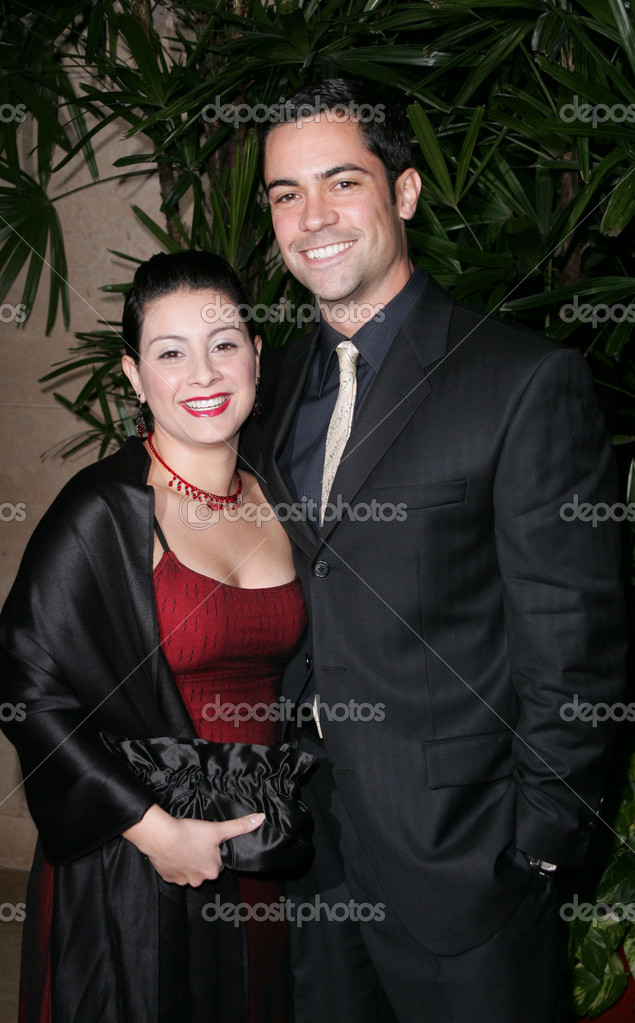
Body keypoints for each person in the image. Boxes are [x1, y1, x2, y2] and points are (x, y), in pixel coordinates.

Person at [239, 79, 627, 1023]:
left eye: (341, 181)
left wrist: (534, 847)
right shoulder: (272, 382)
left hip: (469, 868)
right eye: (286, 194)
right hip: (314, 854)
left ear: (403, 192)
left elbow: (571, 636)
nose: (312, 218)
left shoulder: (522, 380)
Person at [0, 251, 308, 1023]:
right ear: (136, 376)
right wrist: (153, 827)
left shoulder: (283, 488)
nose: (203, 373)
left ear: (256, 356)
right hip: (136, 858)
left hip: (262, 843)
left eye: (224, 344)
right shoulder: (100, 510)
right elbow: (28, 695)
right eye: (170, 352)